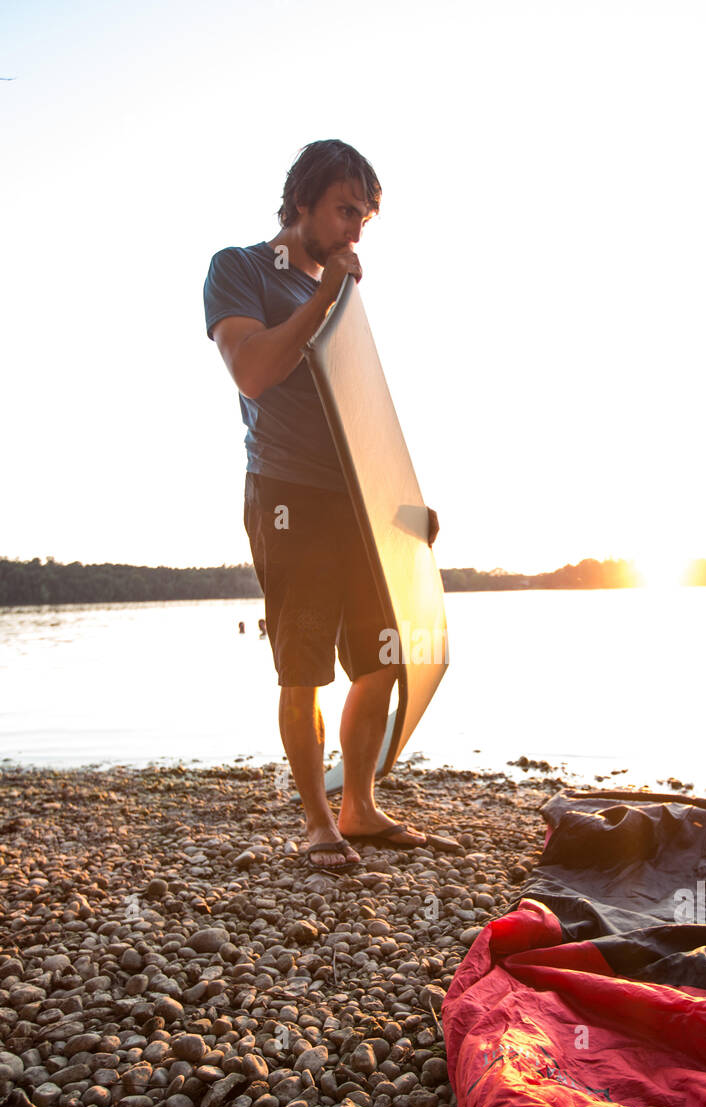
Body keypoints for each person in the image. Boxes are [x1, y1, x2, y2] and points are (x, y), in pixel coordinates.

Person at [203, 139, 439, 871]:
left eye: (364, 218)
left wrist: (407, 505)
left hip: (362, 502)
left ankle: (359, 806)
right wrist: (327, 293)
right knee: (302, 664)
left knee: (383, 655)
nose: (354, 231)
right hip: (286, 493)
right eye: (344, 211)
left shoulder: (342, 297)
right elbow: (253, 371)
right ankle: (315, 821)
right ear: (302, 199)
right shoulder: (240, 269)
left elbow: (366, 410)